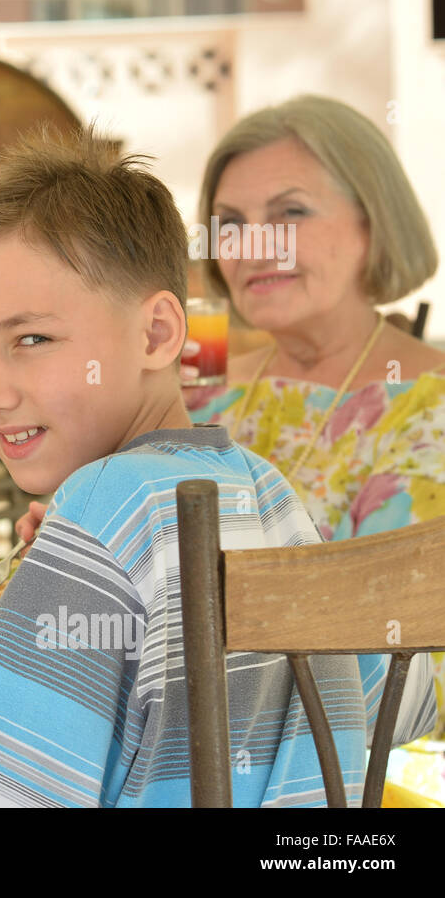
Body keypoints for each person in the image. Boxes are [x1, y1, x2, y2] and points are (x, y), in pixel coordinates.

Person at [0, 128, 437, 807]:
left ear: (157, 333)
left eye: (32, 338)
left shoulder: (103, 506)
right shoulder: (267, 489)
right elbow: (395, 707)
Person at [178, 94, 445, 799]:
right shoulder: (199, 399)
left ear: (373, 221)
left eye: (290, 213)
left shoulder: (433, 407)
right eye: (229, 224)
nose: (251, 247)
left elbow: (411, 668)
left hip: (364, 785)